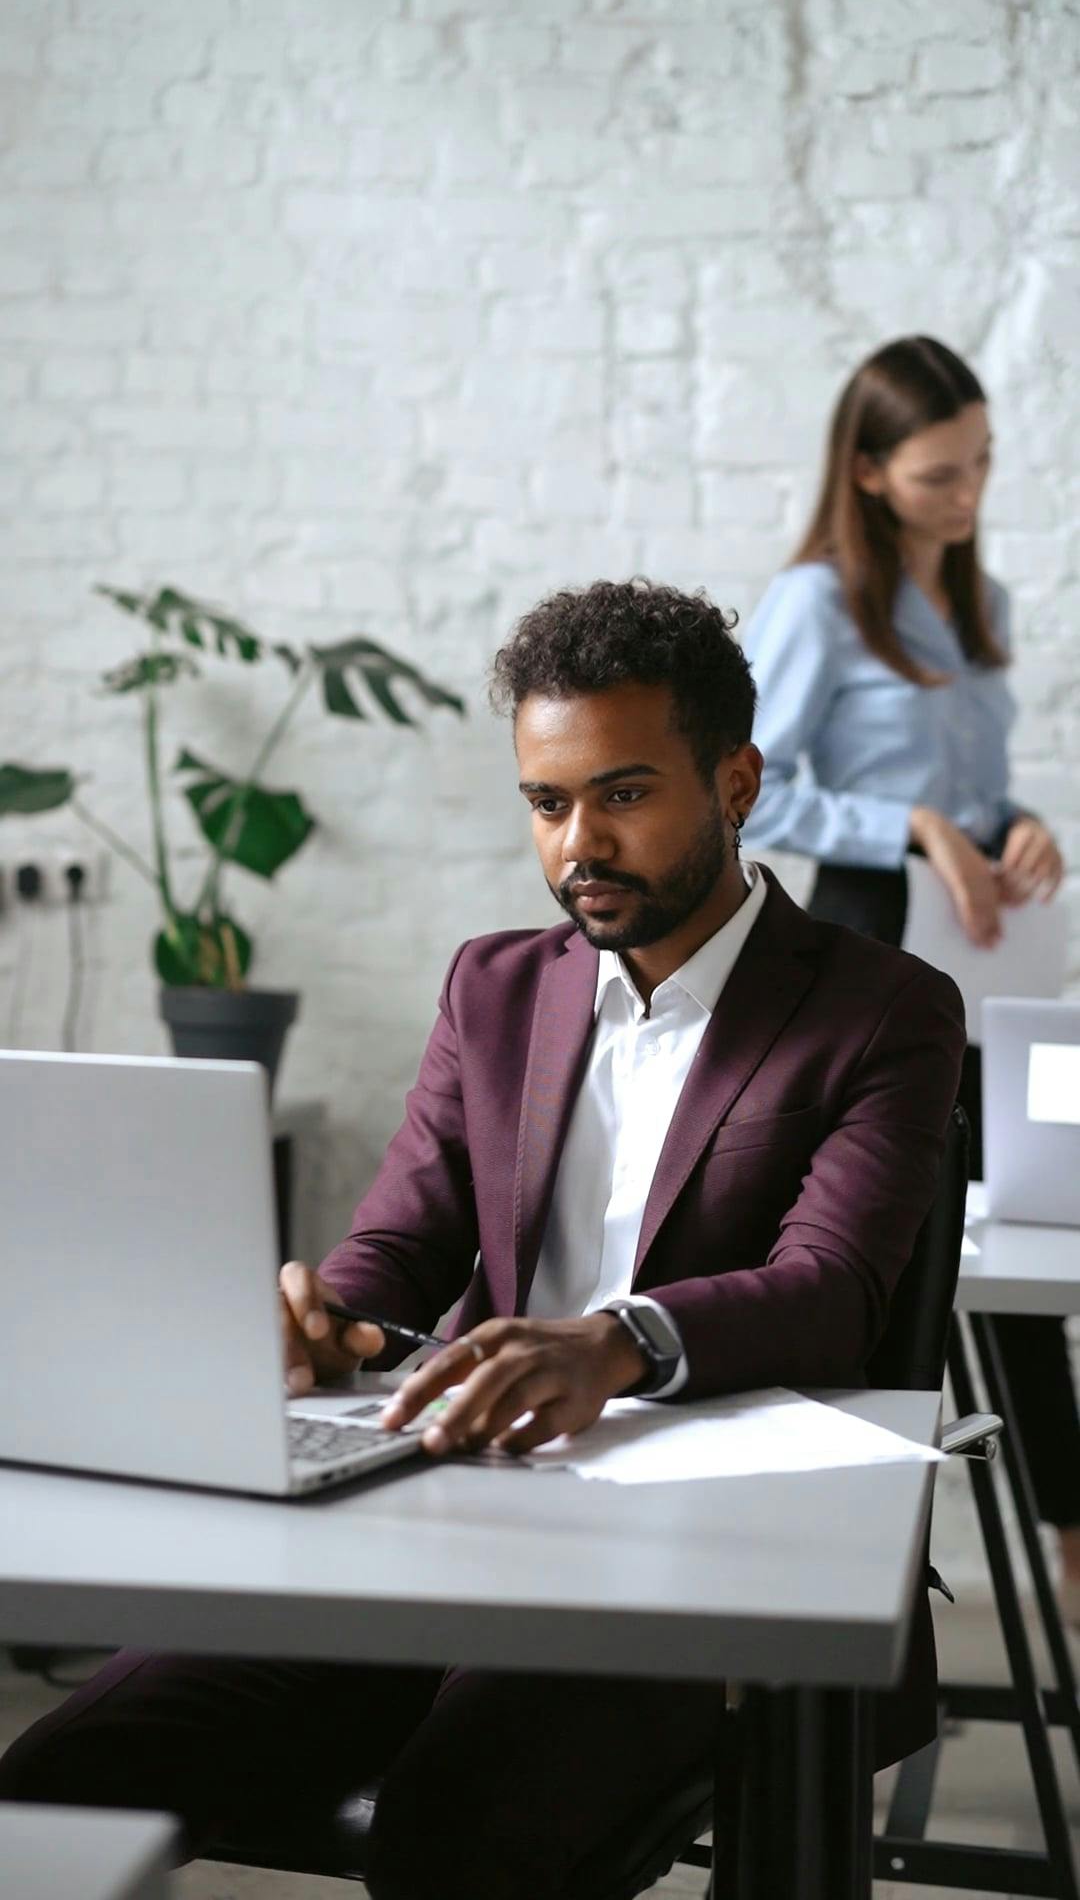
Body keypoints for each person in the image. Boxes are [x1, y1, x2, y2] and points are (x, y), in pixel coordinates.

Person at [0, 578, 965, 1900]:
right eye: (547, 803)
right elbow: (401, 1243)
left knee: (456, 1837)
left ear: (736, 783)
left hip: (708, 1554)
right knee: (61, 1780)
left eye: (624, 794)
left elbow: (830, 1287)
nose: (580, 845)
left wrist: (613, 1345)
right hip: (447, 1509)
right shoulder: (495, 986)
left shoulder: (882, 1008)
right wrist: (327, 1318)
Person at [743, 333, 1078, 1613]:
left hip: (980, 947)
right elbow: (750, 785)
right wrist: (912, 825)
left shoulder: (982, 608)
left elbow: (978, 795)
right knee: (887, 1251)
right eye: (942, 473)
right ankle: (843, 1567)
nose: (970, 493)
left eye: (982, 463)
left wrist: (1015, 823)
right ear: (871, 472)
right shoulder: (818, 603)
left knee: (1015, 1233)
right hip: (870, 943)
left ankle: (1069, 1534)